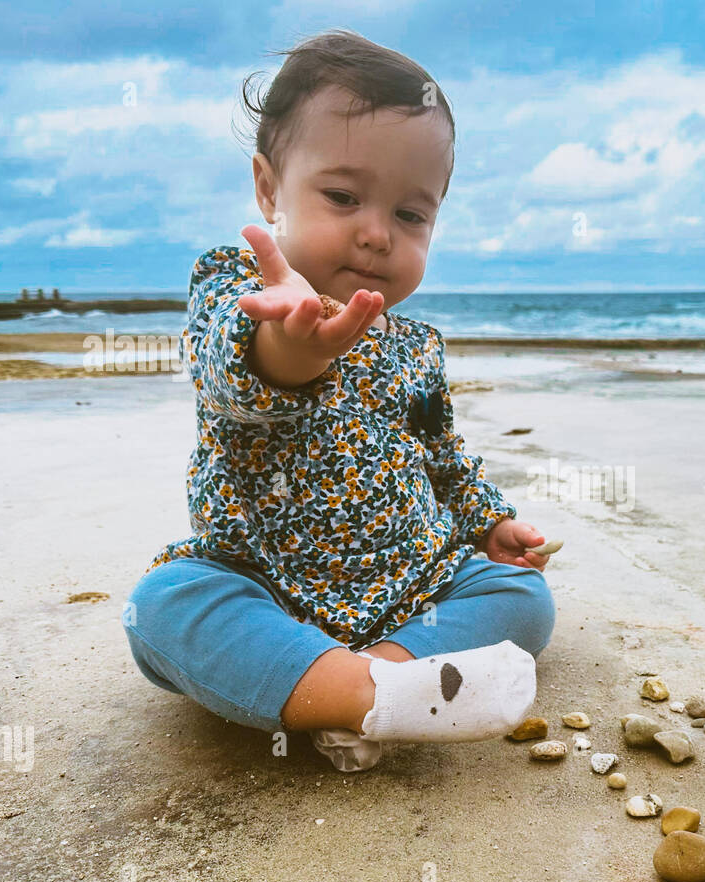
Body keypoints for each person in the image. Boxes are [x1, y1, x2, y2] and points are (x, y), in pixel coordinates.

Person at [123, 30, 555, 771]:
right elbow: (235, 372)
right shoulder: (240, 290)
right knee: (164, 607)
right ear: (269, 188)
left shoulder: (416, 344)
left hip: (410, 579)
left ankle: (375, 681)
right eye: (343, 197)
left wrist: (488, 519)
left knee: (523, 596)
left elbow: (443, 454)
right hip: (261, 577)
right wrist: (292, 350)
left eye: (411, 215)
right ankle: (363, 691)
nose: (376, 234)